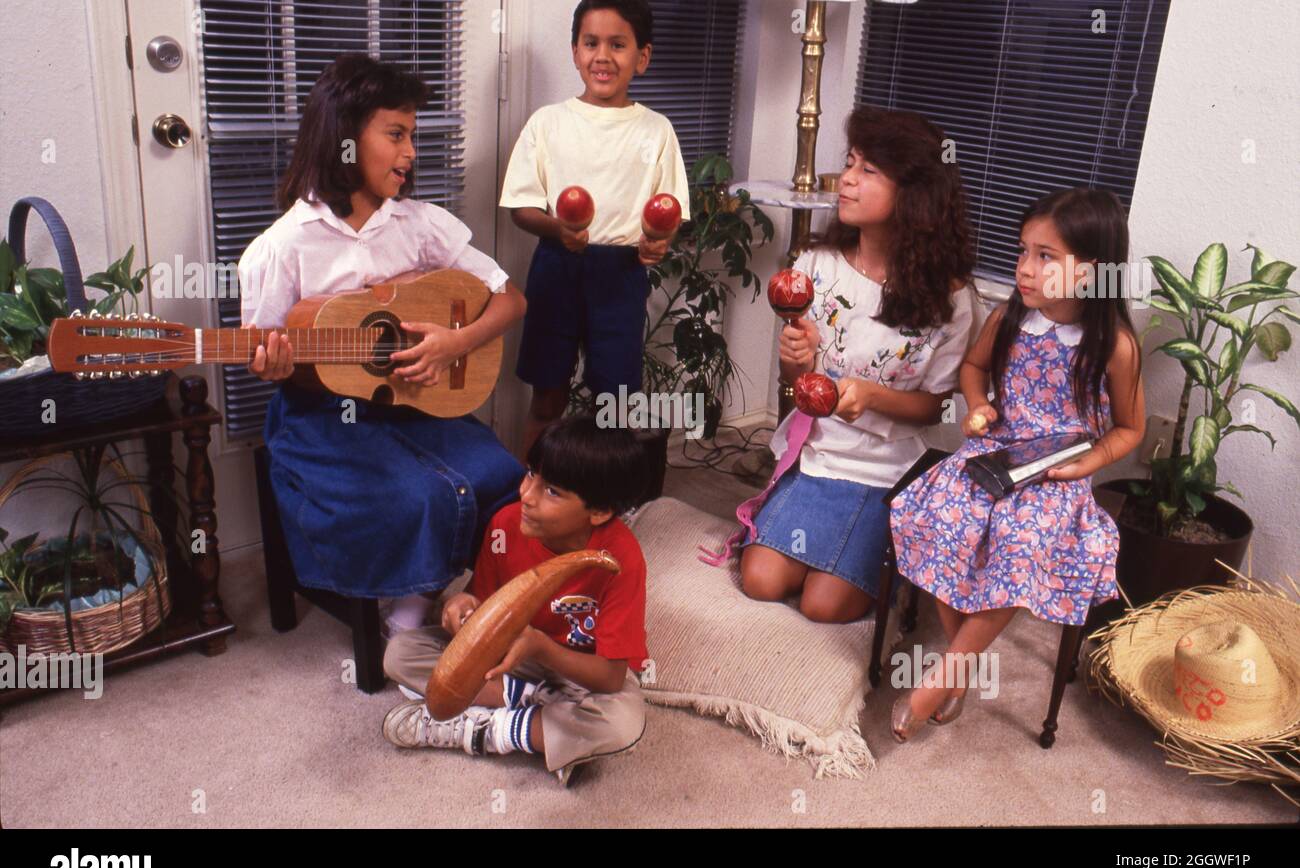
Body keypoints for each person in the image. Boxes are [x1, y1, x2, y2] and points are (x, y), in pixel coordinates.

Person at [238, 53, 526, 625]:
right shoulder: (283, 246)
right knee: (409, 496)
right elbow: (263, 352)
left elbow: (511, 299)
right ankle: (409, 603)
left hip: (414, 407)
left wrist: (454, 342)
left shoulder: (418, 225)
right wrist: (271, 365)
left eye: (412, 135)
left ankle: (459, 593)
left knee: (502, 473)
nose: (410, 152)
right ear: (343, 136)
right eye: (395, 134)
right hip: (323, 421)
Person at [889, 187, 1146, 742]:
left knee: (1018, 537)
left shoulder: (1114, 345)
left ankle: (945, 673)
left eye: (1045, 256)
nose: (1025, 269)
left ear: (1090, 272)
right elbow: (974, 369)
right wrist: (978, 406)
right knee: (940, 512)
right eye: (1023, 251)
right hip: (995, 452)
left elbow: (1130, 429)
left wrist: (1090, 464)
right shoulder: (1008, 317)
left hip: (1059, 471)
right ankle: (962, 670)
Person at [730, 107, 980, 625]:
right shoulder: (813, 268)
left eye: (868, 170)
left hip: (887, 473)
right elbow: (798, 388)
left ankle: (900, 556)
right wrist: (795, 366)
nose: (846, 178)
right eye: (849, 162)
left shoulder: (951, 301)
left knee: (825, 606)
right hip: (819, 458)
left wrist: (869, 396)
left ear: (914, 193)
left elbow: (933, 409)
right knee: (760, 581)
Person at [382, 416, 651, 787]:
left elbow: (610, 676)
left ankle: (488, 731)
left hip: (577, 671)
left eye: (552, 491)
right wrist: (463, 604)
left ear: (600, 511)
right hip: (511, 659)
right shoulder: (505, 525)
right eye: (529, 474)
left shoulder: (621, 558)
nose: (526, 494)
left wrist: (540, 647)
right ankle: (537, 709)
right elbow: (481, 597)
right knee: (400, 653)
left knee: (623, 722)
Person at [500, 0, 690, 455]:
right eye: (591, 43)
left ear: (641, 57)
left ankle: (603, 500)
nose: (602, 56)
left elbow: (672, 212)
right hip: (557, 264)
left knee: (615, 404)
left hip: (620, 273)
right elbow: (520, 208)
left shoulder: (656, 130)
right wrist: (559, 230)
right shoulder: (548, 123)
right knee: (548, 396)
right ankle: (529, 490)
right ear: (574, 51)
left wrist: (657, 244)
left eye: (617, 45)